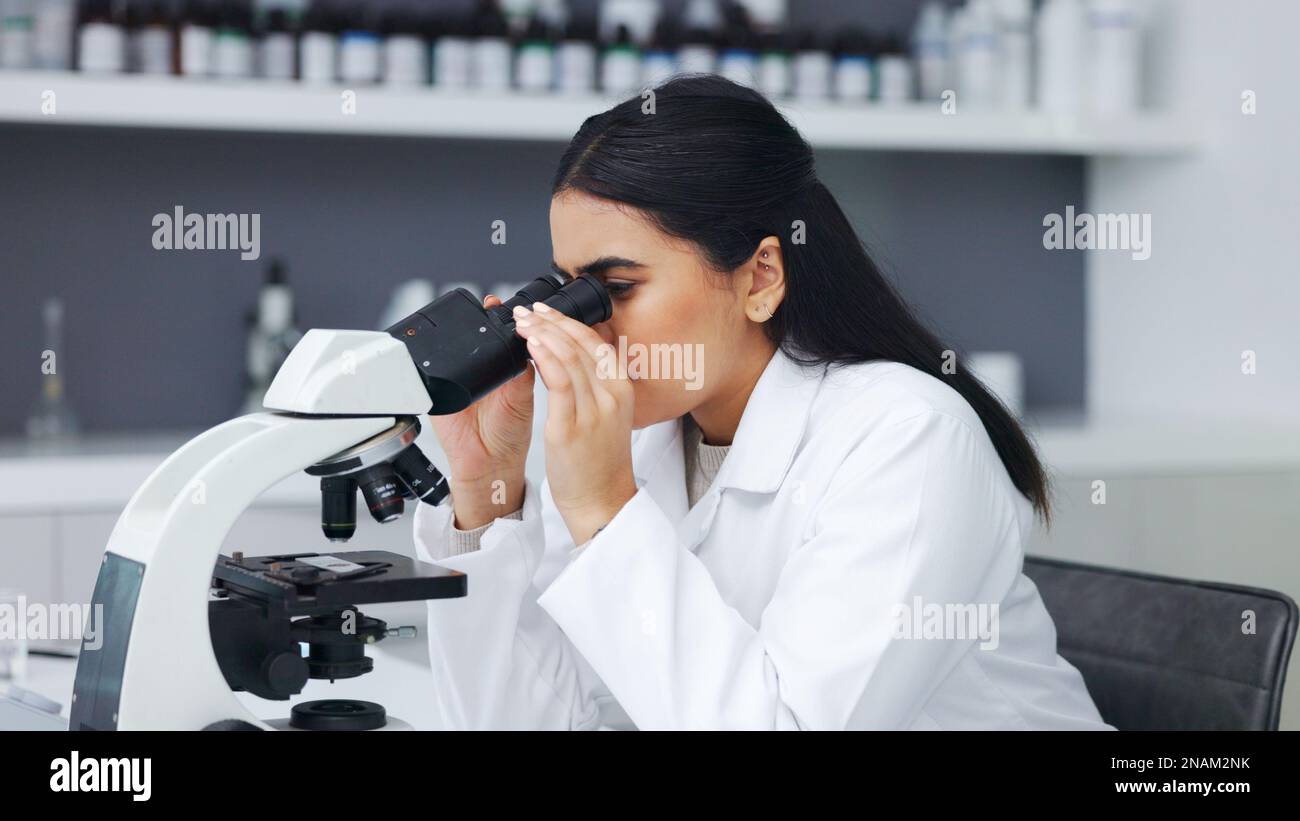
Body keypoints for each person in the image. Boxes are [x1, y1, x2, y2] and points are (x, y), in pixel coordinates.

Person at [412, 74, 1112, 731]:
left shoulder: (909, 437)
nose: (578, 322)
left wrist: (605, 513)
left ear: (761, 276)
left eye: (615, 288)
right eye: (565, 286)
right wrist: (485, 495)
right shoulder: (635, 444)